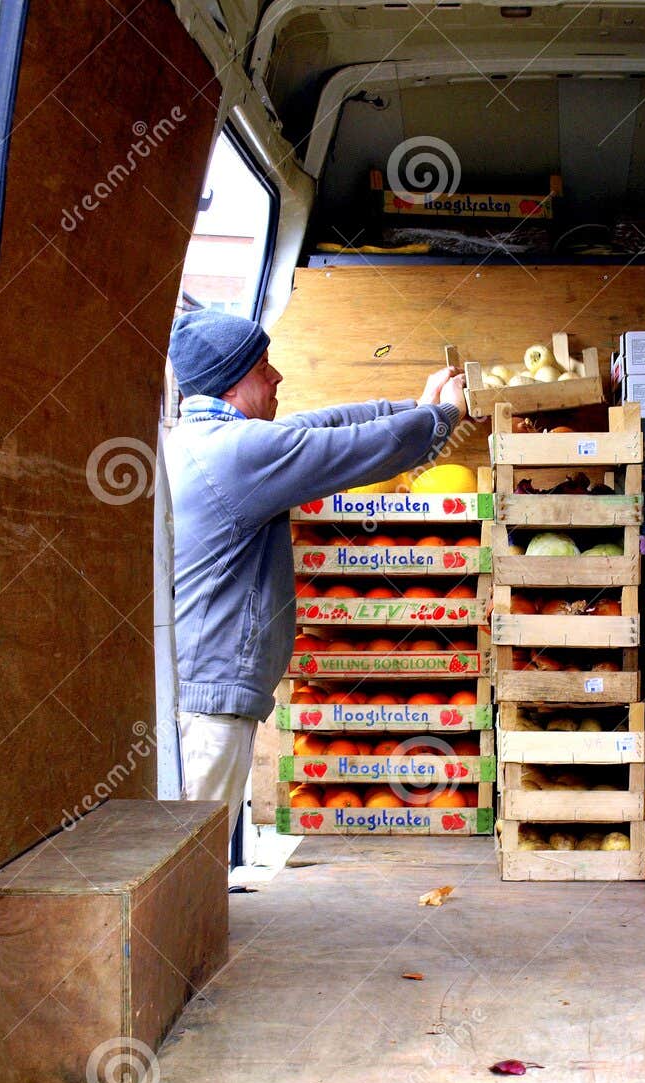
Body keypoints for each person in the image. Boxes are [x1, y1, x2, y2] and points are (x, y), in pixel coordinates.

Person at [164, 306, 464, 851]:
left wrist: (417, 407)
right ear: (231, 385)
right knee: (191, 864)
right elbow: (353, 449)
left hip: (200, 685)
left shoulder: (204, 441)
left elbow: (317, 426)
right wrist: (441, 419)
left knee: (193, 858)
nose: (276, 376)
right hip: (210, 698)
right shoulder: (238, 453)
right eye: (263, 368)